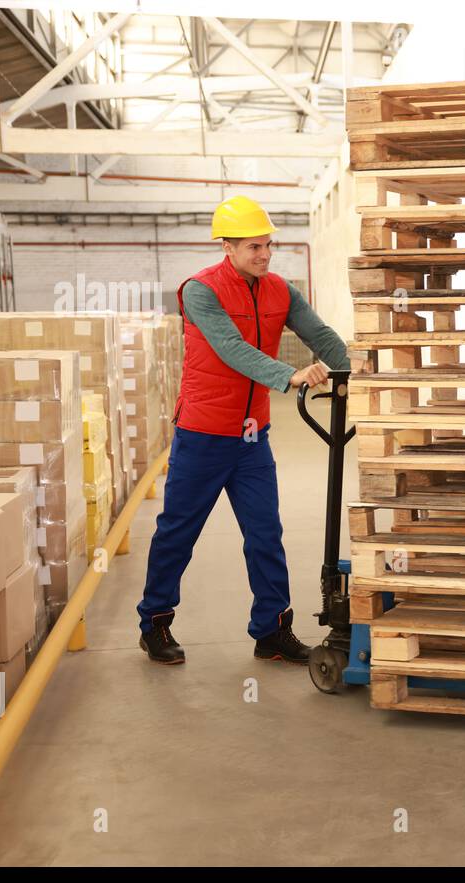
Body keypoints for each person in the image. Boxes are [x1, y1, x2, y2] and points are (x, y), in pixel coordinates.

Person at [136, 196, 348, 666]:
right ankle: (155, 621)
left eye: (269, 245)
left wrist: (356, 371)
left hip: (253, 436)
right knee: (178, 532)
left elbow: (321, 335)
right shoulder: (200, 291)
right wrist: (287, 374)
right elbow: (230, 349)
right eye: (255, 246)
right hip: (204, 433)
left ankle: (272, 630)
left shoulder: (280, 290)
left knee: (265, 532)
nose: (265, 255)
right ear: (228, 246)